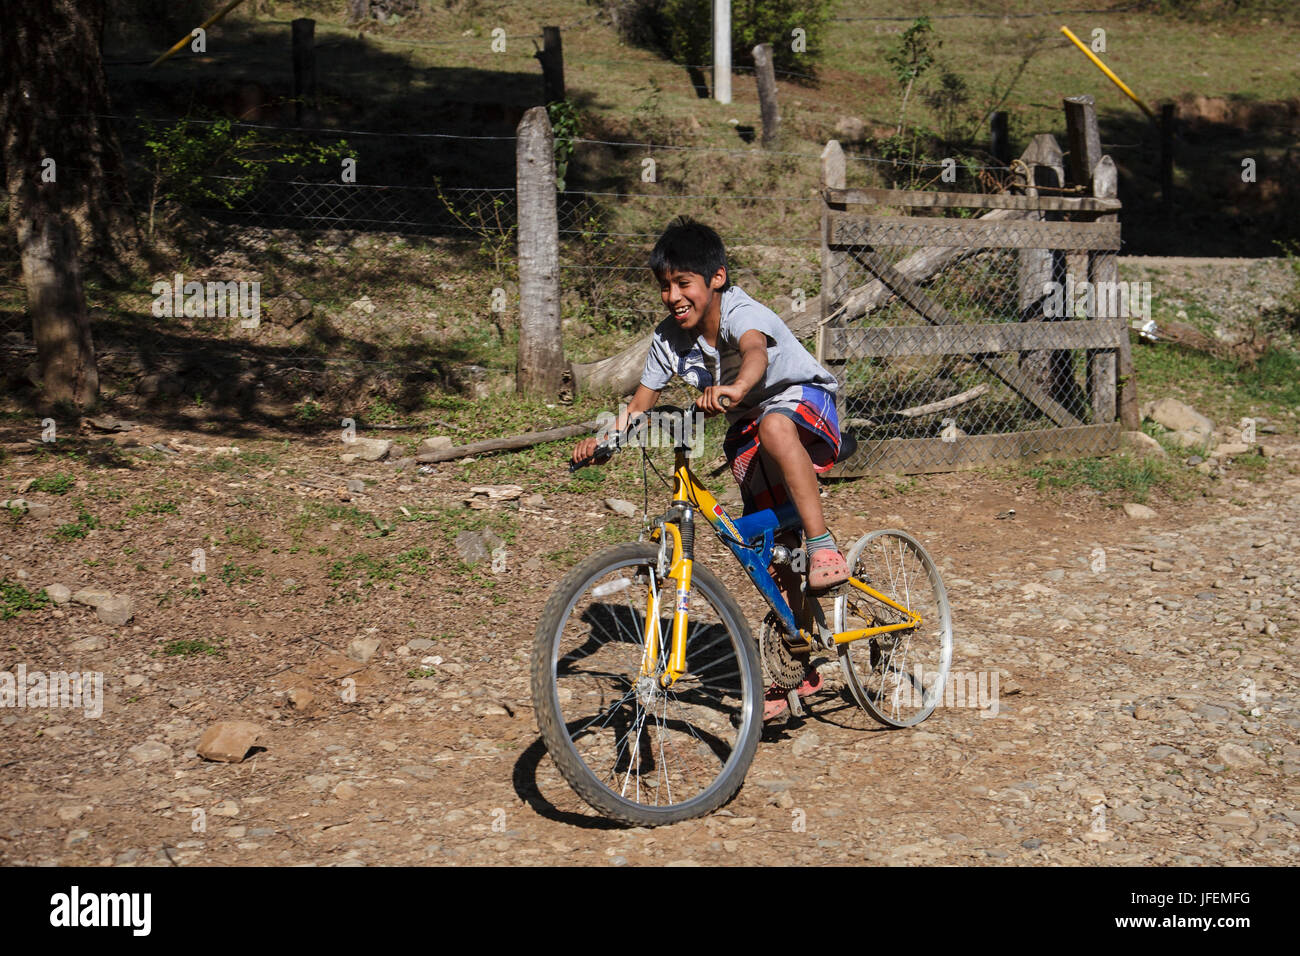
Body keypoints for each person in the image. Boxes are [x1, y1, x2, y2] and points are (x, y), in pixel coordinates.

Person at [571, 216, 847, 720]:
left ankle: (824, 544)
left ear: (716, 278)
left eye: (683, 283)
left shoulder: (743, 311)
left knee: (773, 428)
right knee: (773, 555)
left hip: (804, 403)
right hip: (750, 421)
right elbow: (640, 406)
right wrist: (605, 439)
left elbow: (755, 353)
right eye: (664, 286)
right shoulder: (668, 340)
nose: (673, 295)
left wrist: (738, 389)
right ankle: (800, 666)